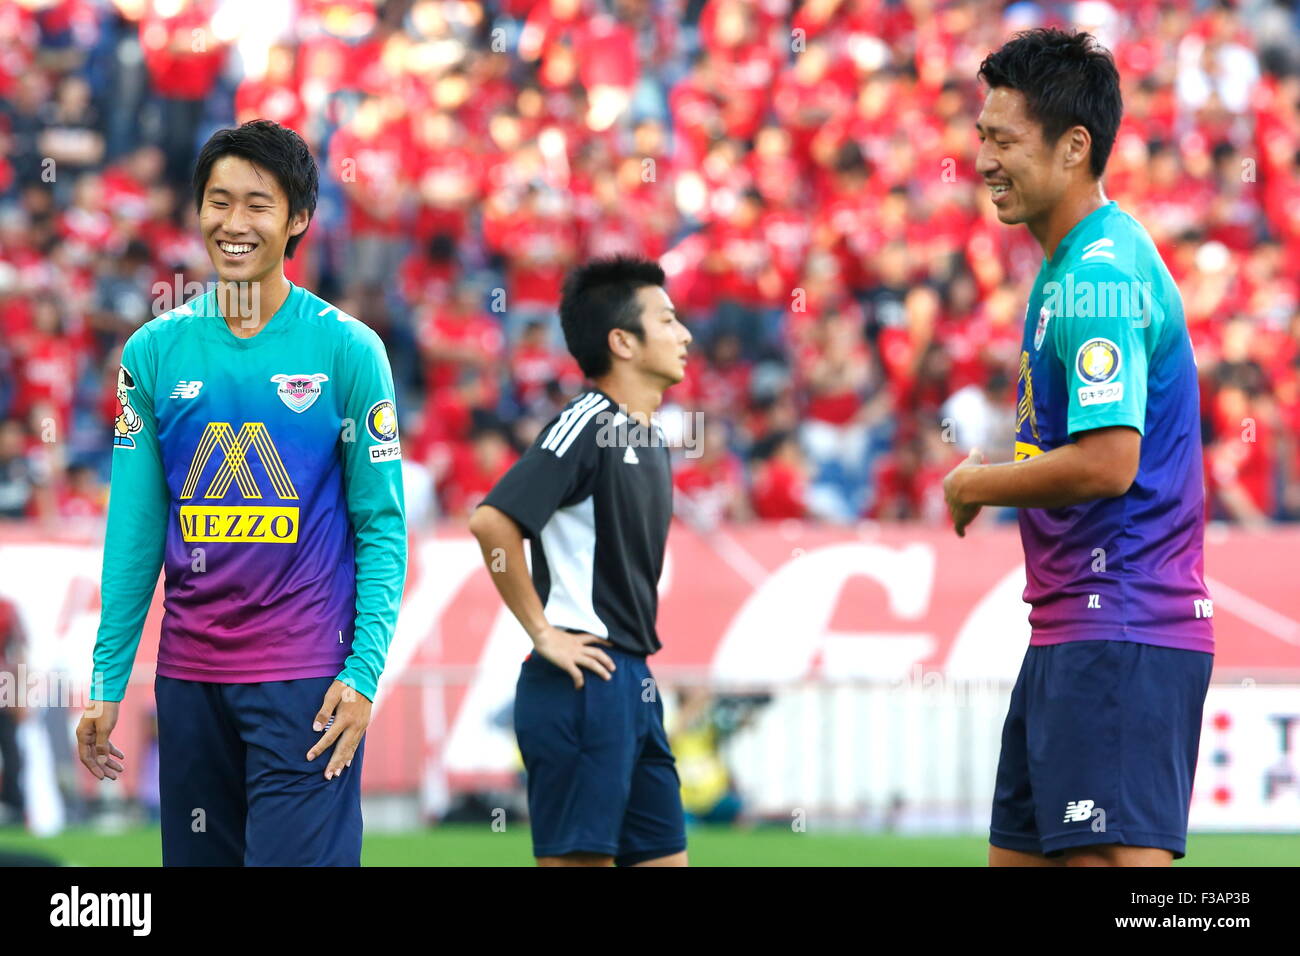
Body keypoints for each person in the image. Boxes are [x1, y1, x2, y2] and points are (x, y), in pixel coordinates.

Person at [75, 120, 407, 866]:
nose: (233, 223)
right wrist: (107, 679)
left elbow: (381, 527)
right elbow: (133, 534)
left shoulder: (348, 350)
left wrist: (362, 674)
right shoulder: (152, 353)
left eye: (258, 204)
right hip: (189, 685)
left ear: (296, 220)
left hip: (307, 685)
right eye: (218, 201)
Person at [942, 29, 1215, 867]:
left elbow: (1108, 462)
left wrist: (976, 485)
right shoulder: (1072, 267)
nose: (983, 159)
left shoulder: (1097, 274)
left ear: (1073, 147)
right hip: (1070, 629)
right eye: (981, 136)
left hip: (1121, 625)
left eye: (1003, 140)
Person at [468, 256, 692, 867]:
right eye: (668, 321)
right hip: (581, 681)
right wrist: (543, 633)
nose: (685, 334)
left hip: (632, 683)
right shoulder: (587, 422)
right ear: (622, 341)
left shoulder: (645, 438)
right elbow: (491, 520)